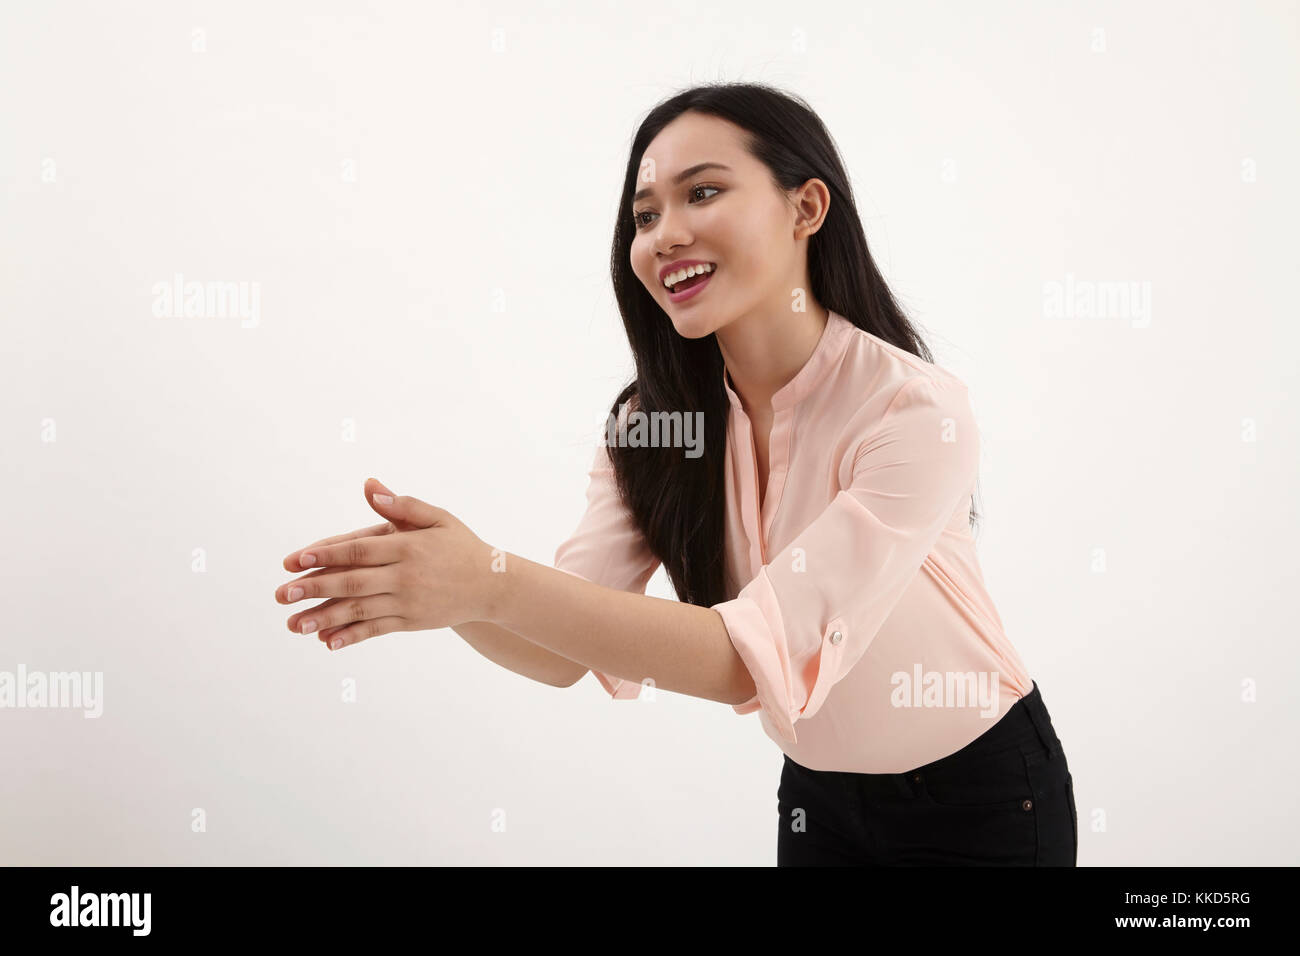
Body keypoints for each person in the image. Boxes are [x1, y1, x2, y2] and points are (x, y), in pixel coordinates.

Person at [275, 82, 1077, 866]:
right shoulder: (652, 426)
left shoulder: (912, 410)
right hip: (818, 799)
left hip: (986, 799)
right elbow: (559, 650)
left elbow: (746, 657)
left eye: (703, 194)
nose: (664, 234)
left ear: (806, 209)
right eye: (646, 214)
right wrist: (441, 587)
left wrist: (485, 584)